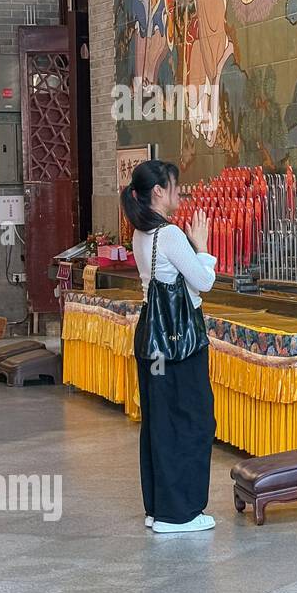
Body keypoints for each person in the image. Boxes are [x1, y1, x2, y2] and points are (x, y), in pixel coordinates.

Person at [122, 160, 218, 534]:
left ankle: (159, 507)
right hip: (179, 343)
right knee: (193, 420)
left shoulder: (140, 234)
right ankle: (180, 514)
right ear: (159, 191)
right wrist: (204, 245)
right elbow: (203, 282)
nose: (180, 194)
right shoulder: (171, 235)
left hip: (153, 342)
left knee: (160, 420)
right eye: (176, 187)